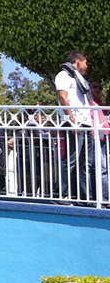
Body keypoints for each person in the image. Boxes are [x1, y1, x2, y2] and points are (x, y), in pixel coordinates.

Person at [54, 51, 97, 202]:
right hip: (74, 123)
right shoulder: (63, 75)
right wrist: (72, 120)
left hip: (85, 124)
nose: (87, 66)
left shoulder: (80, 79)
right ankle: (60, 194)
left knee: (86, 163)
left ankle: (85, 197)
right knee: (71, 160)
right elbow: (63, 97)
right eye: (85, 62)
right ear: (78, 61)